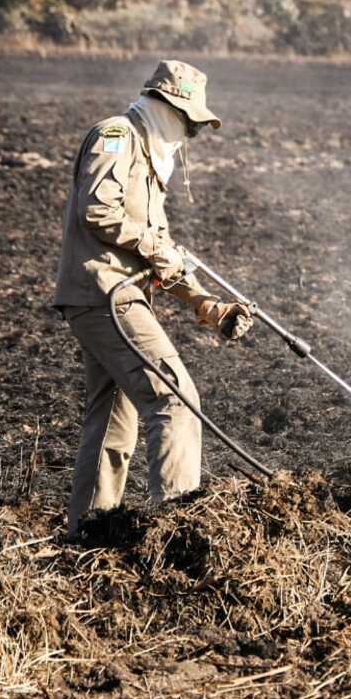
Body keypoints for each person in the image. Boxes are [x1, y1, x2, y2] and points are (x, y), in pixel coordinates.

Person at [52, 59, 253, 534]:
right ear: (166, 106)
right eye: (190, 121)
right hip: (105, 293)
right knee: (175, 399)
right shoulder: (117, 137)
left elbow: (160, 256)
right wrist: (155, 245)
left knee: (111, 425)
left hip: (114, 295)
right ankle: (177, 534)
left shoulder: (149, 159)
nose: (192, 134)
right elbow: (97, 210)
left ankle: (88, 533)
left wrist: (207, 304)